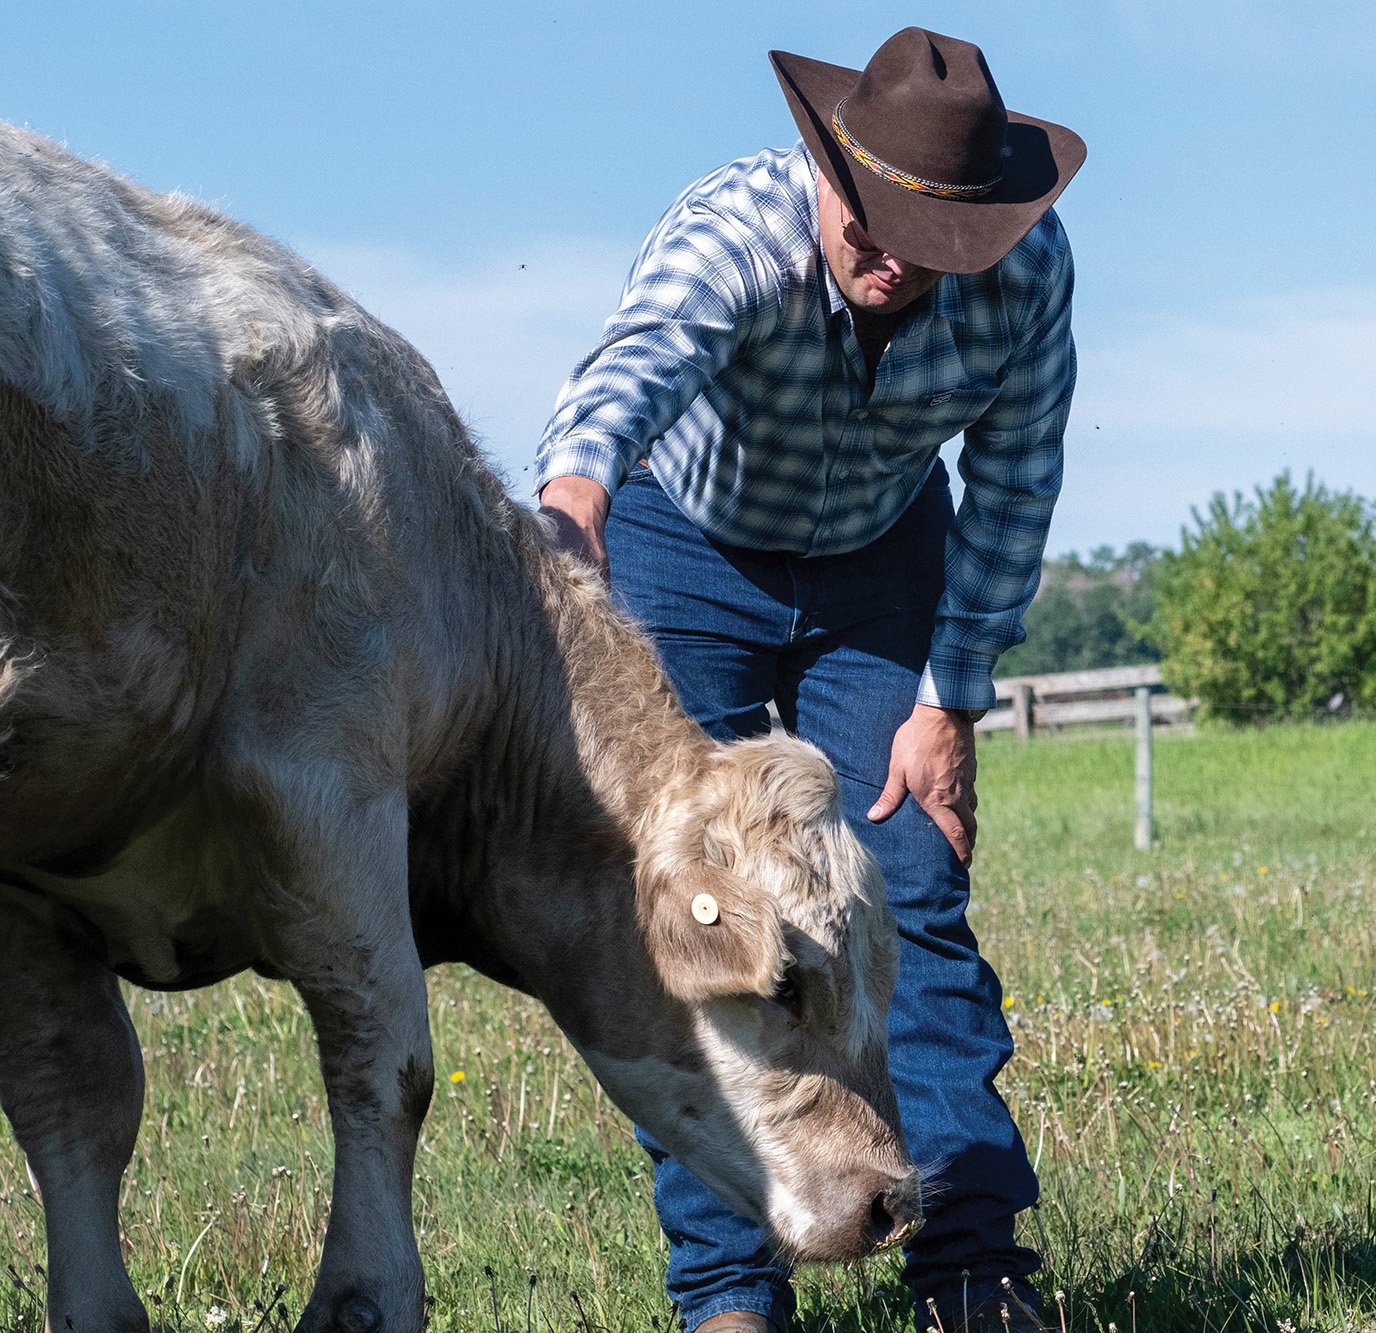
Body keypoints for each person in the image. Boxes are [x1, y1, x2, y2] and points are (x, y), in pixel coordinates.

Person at [534, 28, 1084, 1333]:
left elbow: (1016, 480)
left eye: (930, 239)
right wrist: (573, 497)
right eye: (871, 220)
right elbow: (637, 360)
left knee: (915, 886)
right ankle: (728, 1288)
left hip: (885, 557)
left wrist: (951, 700)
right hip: (686, 547)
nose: (893, 258)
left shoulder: (1026, 275)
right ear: (824, 162)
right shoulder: (738, 232)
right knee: (712, 914)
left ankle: (970, 1262)